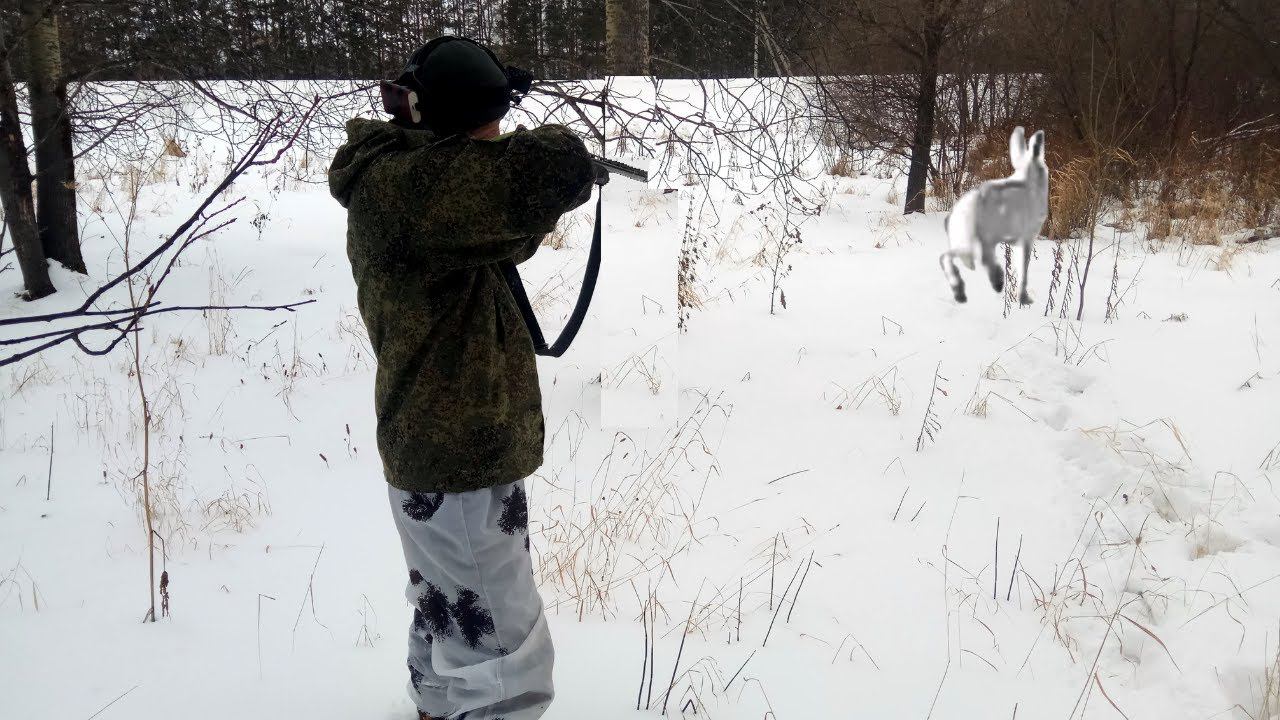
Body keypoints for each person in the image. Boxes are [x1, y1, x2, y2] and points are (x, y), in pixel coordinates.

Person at [327, 36, 600, 720]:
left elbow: (503, 222)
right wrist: (564, 161)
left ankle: (437, 707)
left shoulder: (405, 181)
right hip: (456, 460)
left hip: (443, 454)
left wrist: (483, 105)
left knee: (451, 601)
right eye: (489, 125)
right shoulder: (411, 193)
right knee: (500, 638)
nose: (498, 138)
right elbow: (535, 175)